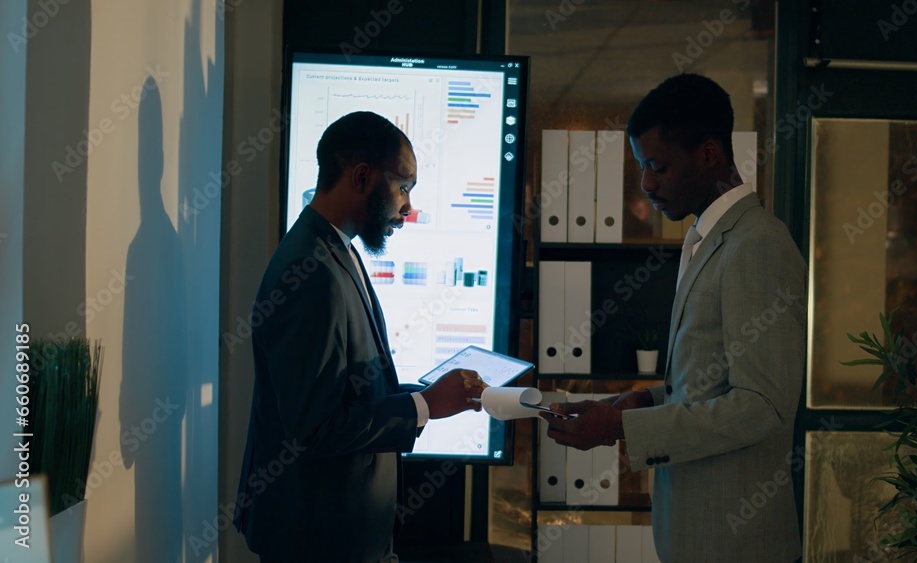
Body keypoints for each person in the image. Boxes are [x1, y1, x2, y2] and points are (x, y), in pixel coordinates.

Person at [541, 74, 805, 562]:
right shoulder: (709, 238)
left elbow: (763, 405)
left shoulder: (757, 245)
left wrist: (620, 429)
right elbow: (713, 383)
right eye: (642, 167)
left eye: (657, 166)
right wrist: (640, 402)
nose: (646, 183)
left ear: (708, 154)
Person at [234, 111, 487, 562]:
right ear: (362, 177)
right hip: (319, 543)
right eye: (403, 186)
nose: (408, 207)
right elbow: (315, 427)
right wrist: (424, 406)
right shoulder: (311, 272)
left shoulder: (333, 250)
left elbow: (342, 393)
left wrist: (425, 395)